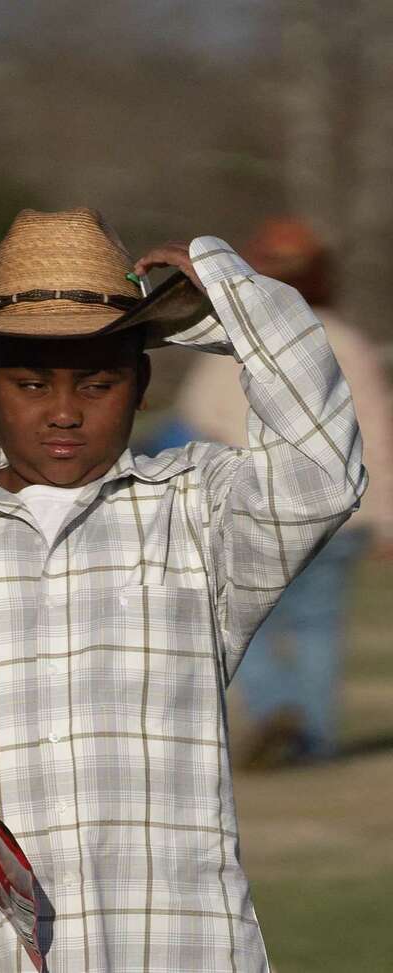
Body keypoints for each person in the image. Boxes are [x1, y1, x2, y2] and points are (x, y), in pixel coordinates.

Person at [0, 207, 366, 971]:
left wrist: (234, 300)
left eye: (98, 381)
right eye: (30, 382)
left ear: (142, 379)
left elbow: (321, 472)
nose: (63, 410)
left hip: (174, 940)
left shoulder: (197, 511)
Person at [173, 217, 393, 767]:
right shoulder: (346, 339)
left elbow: (198, 414)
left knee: (245, 619)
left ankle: (276, 710)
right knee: (318, 625)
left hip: (256, 503)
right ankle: (311, 738)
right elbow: (378, 435)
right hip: (344, 510)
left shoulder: (240, 338)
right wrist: (386, 518)